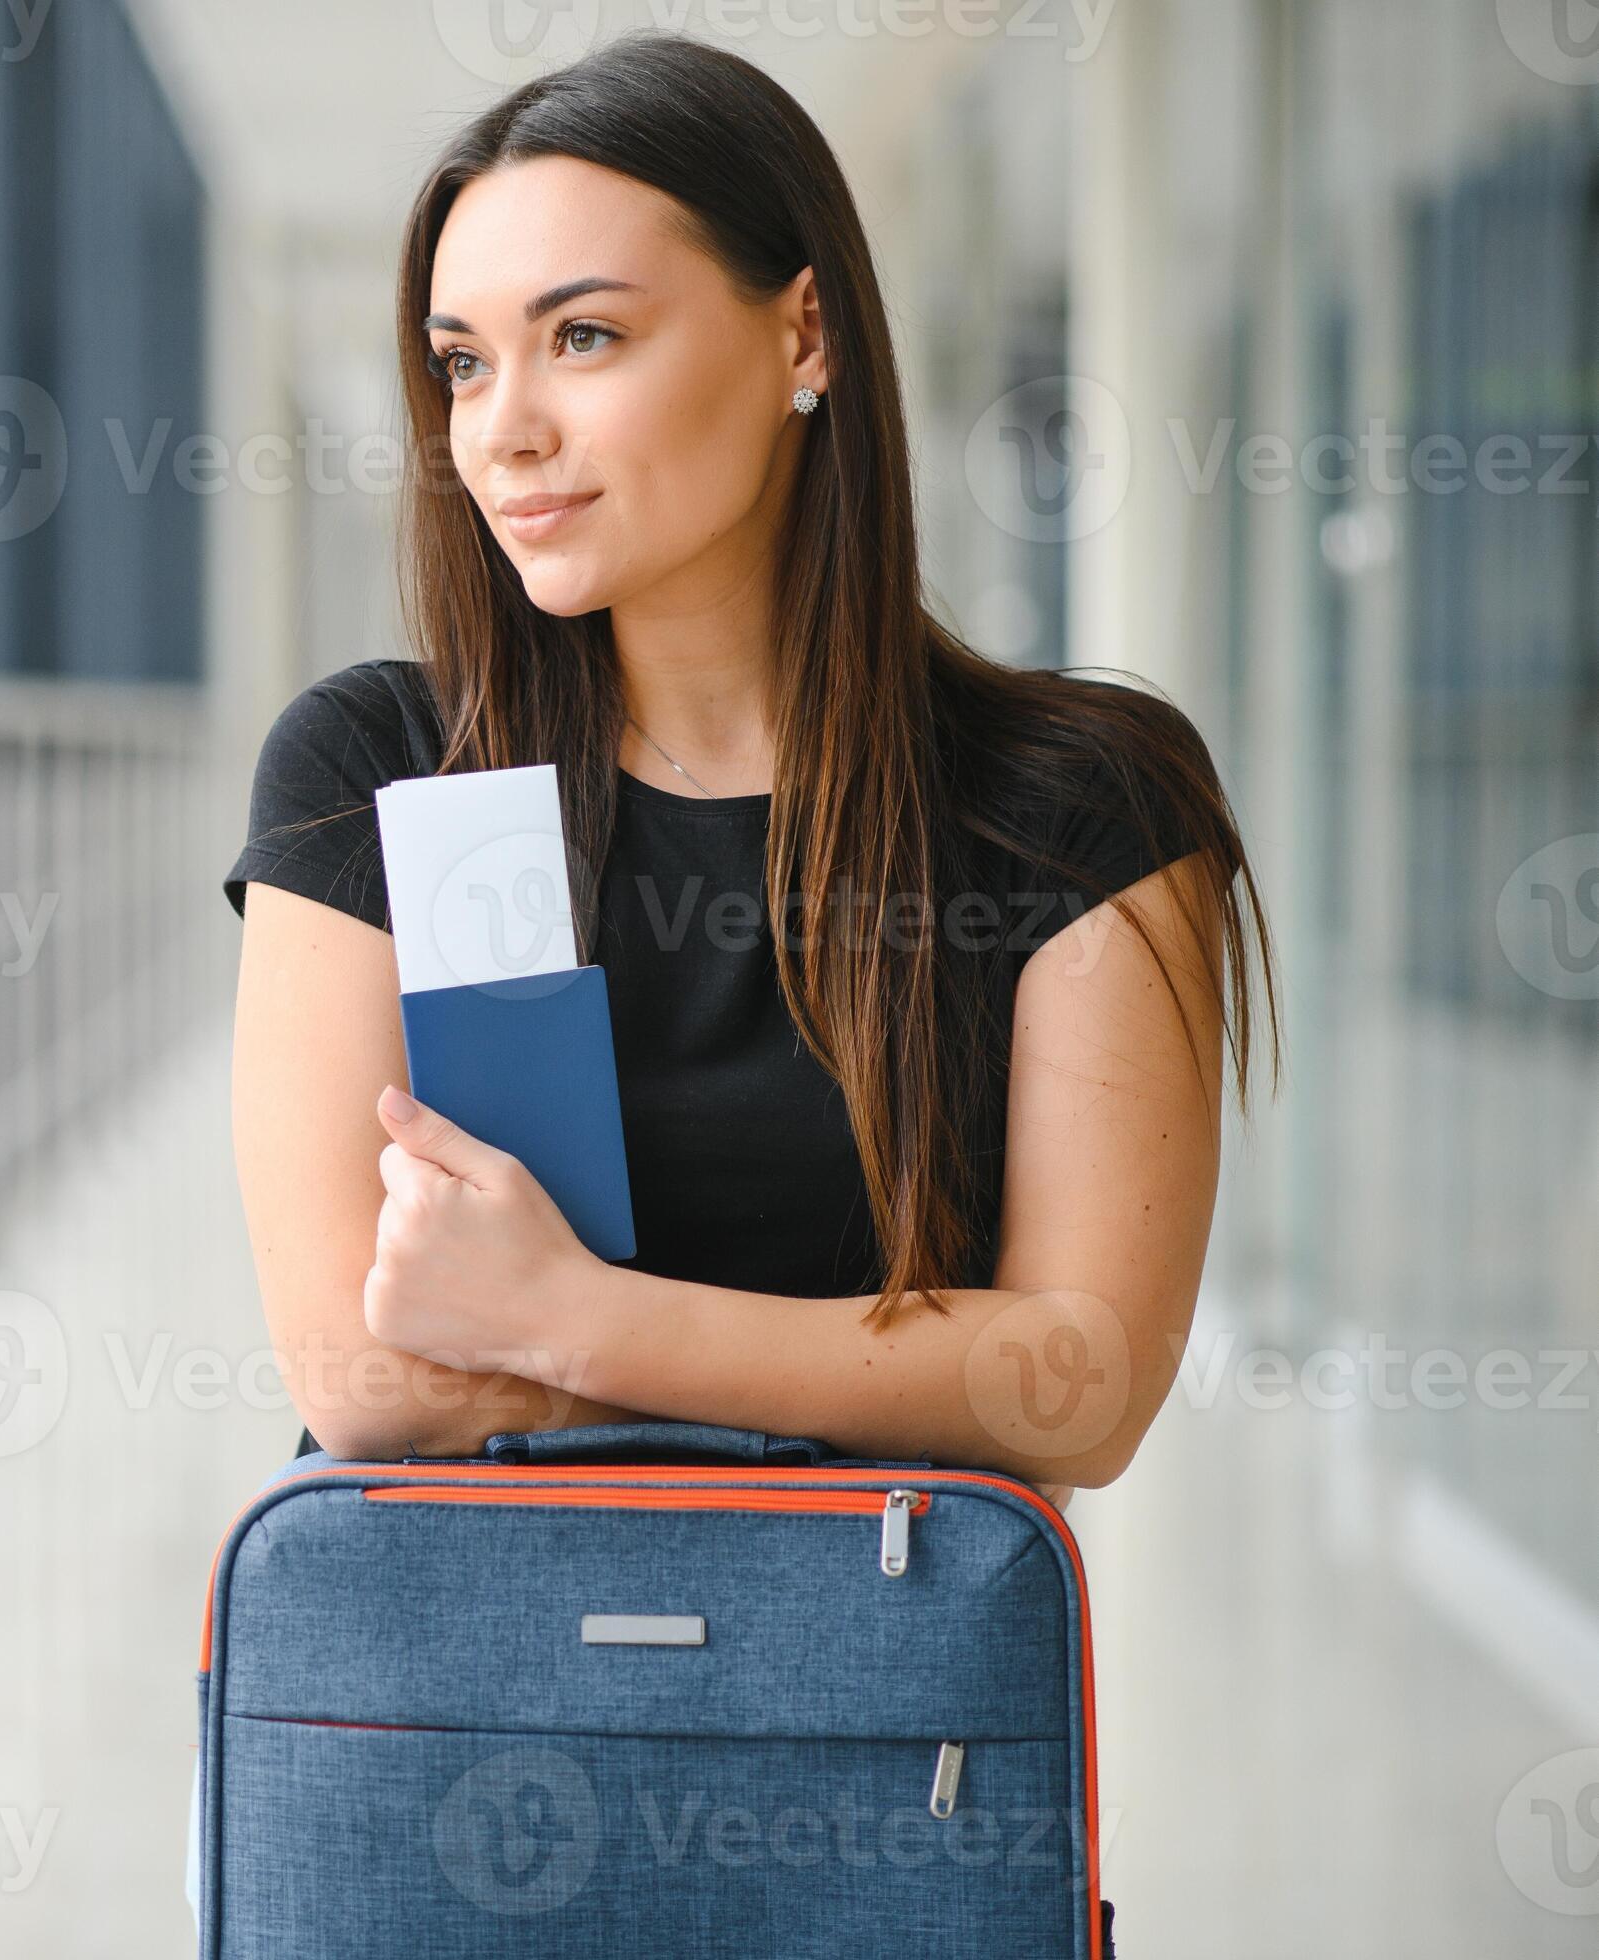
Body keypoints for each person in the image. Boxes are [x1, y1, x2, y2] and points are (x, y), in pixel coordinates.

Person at [222, 32, 1278, 1503]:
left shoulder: (1078, 804)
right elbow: (366, 1378)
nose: (503, 432)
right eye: (462, 363)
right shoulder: (382, 768)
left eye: (582, 337)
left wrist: (577, 1323)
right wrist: (895, 1378)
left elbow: (1077, 1390)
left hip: (880, 1714)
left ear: (805, 334)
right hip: (457, 1689)